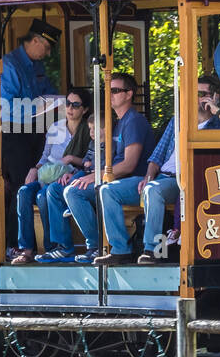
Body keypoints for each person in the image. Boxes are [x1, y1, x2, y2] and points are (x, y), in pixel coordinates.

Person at [50, 72, 154, 265]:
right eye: (108, 90)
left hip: (136, 181)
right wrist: (86, 173)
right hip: (116, 179)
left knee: (80, 191)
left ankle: (115, 248)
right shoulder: (119, 121)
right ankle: (93, 246)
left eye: (115, 90)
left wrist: (96, 176)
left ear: (129, 94)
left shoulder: (133, 121)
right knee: (68, 190)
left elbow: (129, 164)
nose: (110, 94)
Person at [129, 77, 220, 265]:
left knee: (152, 190)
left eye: (202, 94)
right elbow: (157, 156)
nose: (197, 98)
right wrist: (148, 176)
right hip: (160, 177)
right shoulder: (178, 120)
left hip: (184, 181)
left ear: (215, 97)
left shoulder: (218, 124)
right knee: (108, 190)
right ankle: (116, 251)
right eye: (194, 93)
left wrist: (217, 111)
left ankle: (151, 251)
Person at [0, 18, 61, 251]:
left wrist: (60, 101)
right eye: (47, 47)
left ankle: (41, 243)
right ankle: (14, 244)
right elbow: (4, 108)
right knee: (20, 185)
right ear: (35, 41)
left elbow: (49, 92)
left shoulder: (36, 66)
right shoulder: (9, 65)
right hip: (14, 132)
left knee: (39, 182)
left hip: (36, 132)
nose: (47, 53)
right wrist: (41, 107)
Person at [10, 88, 88, 265]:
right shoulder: (55, 127)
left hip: (68, 177)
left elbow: (90, 161)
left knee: (42, 196)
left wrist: (71, 160)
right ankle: (27, 250)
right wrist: (34, 169)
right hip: (46, 175)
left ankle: (51, 248)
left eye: (76, 105)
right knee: (23, 192)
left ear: (85, 109)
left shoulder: (87, 130)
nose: (70, 108)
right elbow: (45, 157)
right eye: (68, 103)